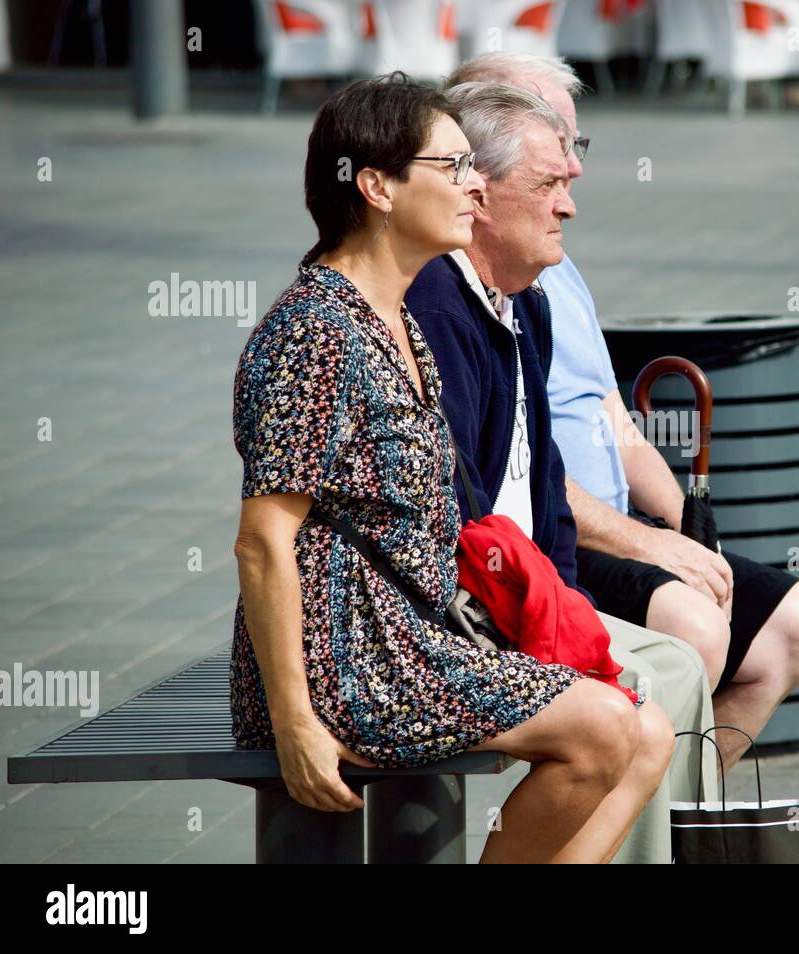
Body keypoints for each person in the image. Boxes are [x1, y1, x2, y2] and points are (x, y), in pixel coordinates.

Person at [230, 73, 673, 864]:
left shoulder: (395, 318)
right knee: (606, 727)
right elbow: (263, 543)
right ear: (376, 187)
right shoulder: (318, 332)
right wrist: (295, 722)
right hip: (352, 660)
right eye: (452, 167)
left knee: (647, 731)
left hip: (415, 638)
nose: (475, 186)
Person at [444, 53, 799, 773]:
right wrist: (644, 546)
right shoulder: (472, 288)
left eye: (575, 144)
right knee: (694, 632)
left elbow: (610, 412)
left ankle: (682, 819)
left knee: (797, 624)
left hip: (608, 531)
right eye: (558, 146)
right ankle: (642, 814)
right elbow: (511, 474)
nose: (576, 172)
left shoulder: (546, 271)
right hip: (567, 541)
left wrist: (687, 525)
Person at [404, 82, 718, 863]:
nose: (567, 207)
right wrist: (559, 622)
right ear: (478, 194)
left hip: (530, 594)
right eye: (548, 185)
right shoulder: (440, 307)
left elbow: (544, 488)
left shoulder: (526, 302)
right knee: (646, 696)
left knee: (679, 666)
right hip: (474, 614)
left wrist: (569, 603)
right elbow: (456, 518)